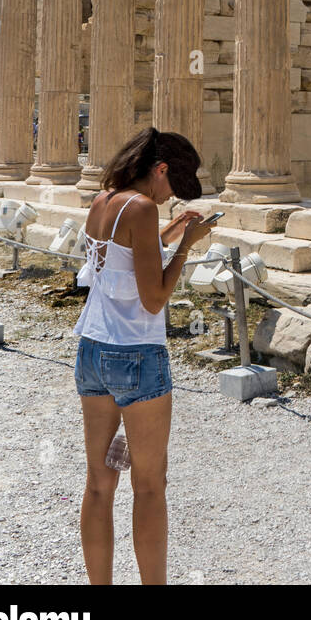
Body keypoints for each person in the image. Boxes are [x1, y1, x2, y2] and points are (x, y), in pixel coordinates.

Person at [73, 126, 210, 586]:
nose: (171, 196)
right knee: (150, 486)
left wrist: (171, 232)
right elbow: (154, 299)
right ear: (161, 169)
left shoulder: (104, 201)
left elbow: (122, 260)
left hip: (92, 349)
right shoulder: (145, 207)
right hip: (136, 353)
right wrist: (187, 248)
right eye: (173, 184)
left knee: (99, 483)